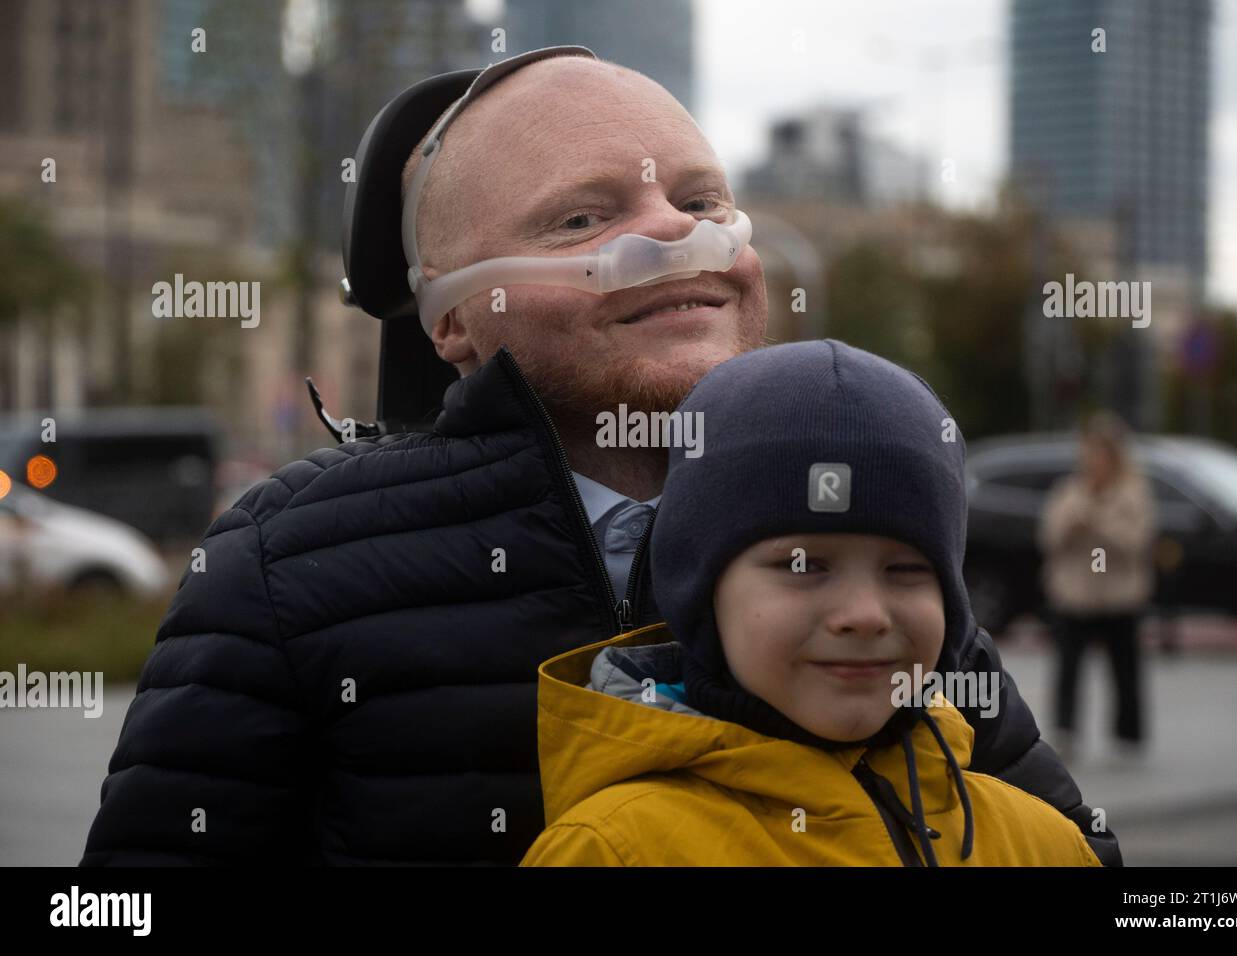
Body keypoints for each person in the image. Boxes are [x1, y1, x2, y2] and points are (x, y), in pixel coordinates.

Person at [80, 48, 1116, 866]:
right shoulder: (288, 558)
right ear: (450, 319)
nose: (676, 234)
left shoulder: (863, 527)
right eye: (586, 215)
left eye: (704, 202)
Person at [521, 341, 1102, 866]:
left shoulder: (1043, 845)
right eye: (804, 566)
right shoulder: (615, 851)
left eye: (906, 570)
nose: (865, 614)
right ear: (698, 590)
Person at [1037, 411, 1157, 764]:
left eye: (1103, 453)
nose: (1096, 460)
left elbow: (1136, 542)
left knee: (1126, 668)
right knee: (1068, 668)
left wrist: (1097, 523)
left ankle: (1128, 734)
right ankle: (1065, 731)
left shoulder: (1133, 494)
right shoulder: (1069, 491)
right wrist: (1078, 517)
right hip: (1074, 596)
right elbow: (1049, 537)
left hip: (1120, 597)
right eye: (1091, 452)